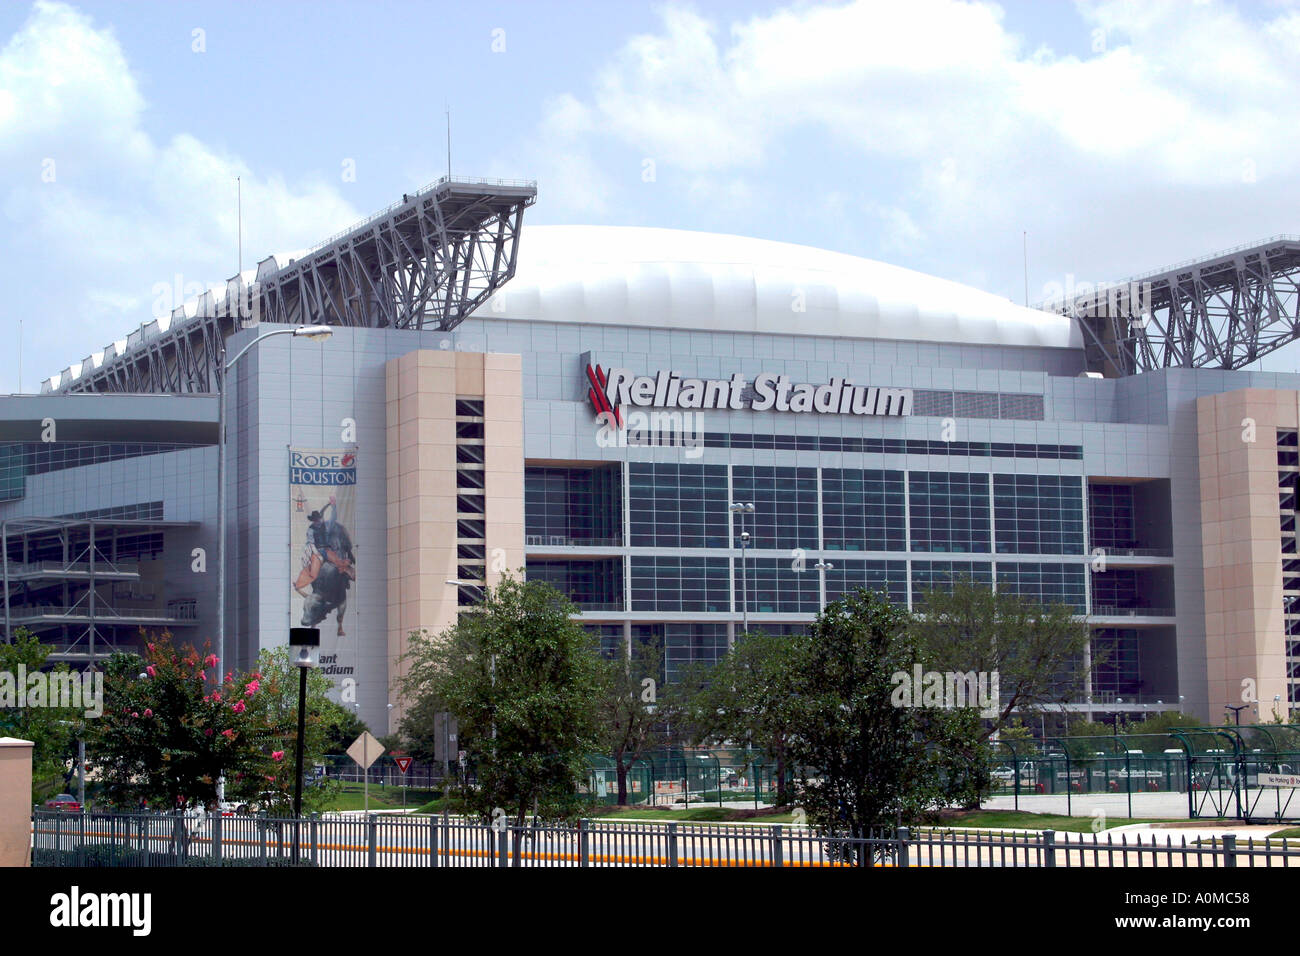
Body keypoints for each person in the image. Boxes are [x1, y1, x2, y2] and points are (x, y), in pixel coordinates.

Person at [294, 495, 355, 635]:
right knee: (311, 571)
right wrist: (316, 553)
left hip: (328, 550)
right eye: (316, 520)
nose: (318, 521)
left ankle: (349, 574)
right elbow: (310, 542)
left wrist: (333, 506)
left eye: (319, 519)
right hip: (318, 551)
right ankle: (300, 583)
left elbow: (333, 517)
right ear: (313, 521)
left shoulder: (327, 525)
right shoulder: (311, 529)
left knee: (340, 564)